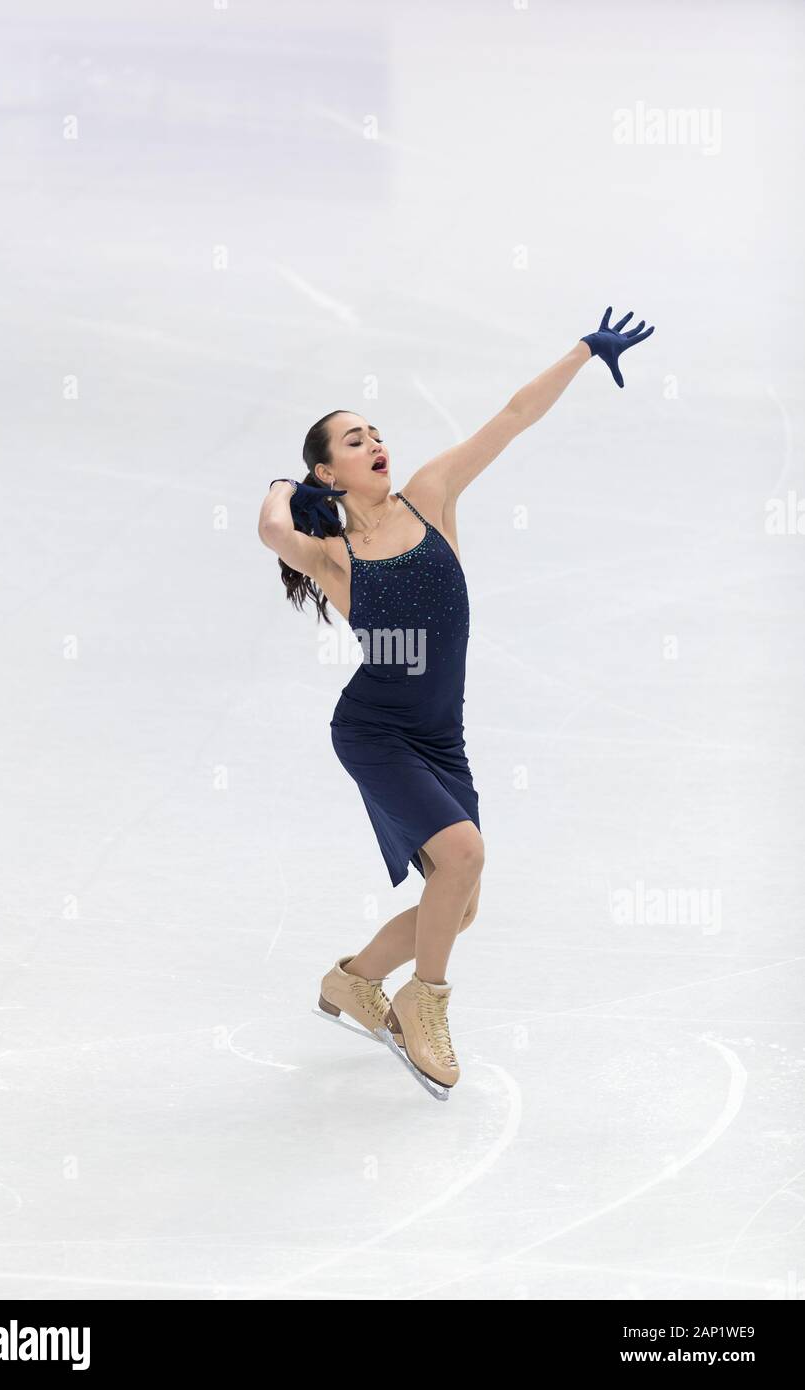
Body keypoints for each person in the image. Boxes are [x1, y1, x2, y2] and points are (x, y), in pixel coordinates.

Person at [257, 307, 654, 1099]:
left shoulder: (429, 497)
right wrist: (281, 485)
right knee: (464, 856)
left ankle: (353, 982)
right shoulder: (338, 556)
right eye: (354, 440)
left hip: (440, 733)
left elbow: (510, 418)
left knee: (460, 902)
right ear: (328, 473)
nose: (375, 443)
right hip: (374, 729)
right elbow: (272, 530)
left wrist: (580, 350)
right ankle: (421, 1003)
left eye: (374, 432)